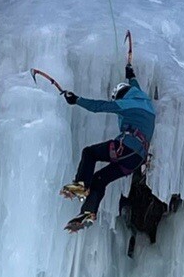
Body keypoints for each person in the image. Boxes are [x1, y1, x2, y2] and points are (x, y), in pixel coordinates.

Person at [60, 33, 155, 234]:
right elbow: (134, 84)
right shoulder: (144, 101)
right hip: (135, 160)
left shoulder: (125, 104)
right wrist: (130, 71)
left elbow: (99, 106)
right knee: (101, 180)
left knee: (90, 153)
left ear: (119, 94)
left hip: (125, 147)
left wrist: (76, 99)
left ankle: (81, 184)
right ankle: (88, 212)